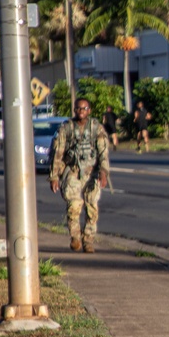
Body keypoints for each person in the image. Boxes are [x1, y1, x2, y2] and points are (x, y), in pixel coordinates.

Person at [49, 98, 110, 253]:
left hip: (92, 173)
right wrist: (54, 176)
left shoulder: (96, 128)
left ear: (89, 110)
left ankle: (88, 240)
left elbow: (103, 152)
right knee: (74, 206)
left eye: (84, 108)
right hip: (73, 172)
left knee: (92, 208)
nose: (81, 111)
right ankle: (75, 238)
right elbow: (58, 153)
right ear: (74, 110)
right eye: (78, 108)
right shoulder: (66, 128)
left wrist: (104, 172)